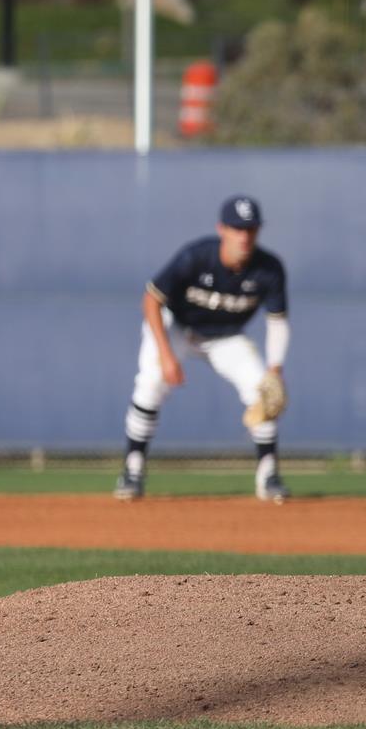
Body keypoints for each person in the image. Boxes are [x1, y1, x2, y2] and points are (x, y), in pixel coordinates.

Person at [116, 195, 292, 503]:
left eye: (251, 229)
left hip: (225, 337)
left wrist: (275, 368)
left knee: (262, 389)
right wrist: (166, 355)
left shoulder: (269, 268)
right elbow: (151, 300)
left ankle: (269, 473)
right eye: (237, 228)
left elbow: (277, 322)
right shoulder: (196, 257)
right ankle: (132, 469)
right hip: (177, 328)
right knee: (150, 383)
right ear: (221, 229)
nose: (244, 236)